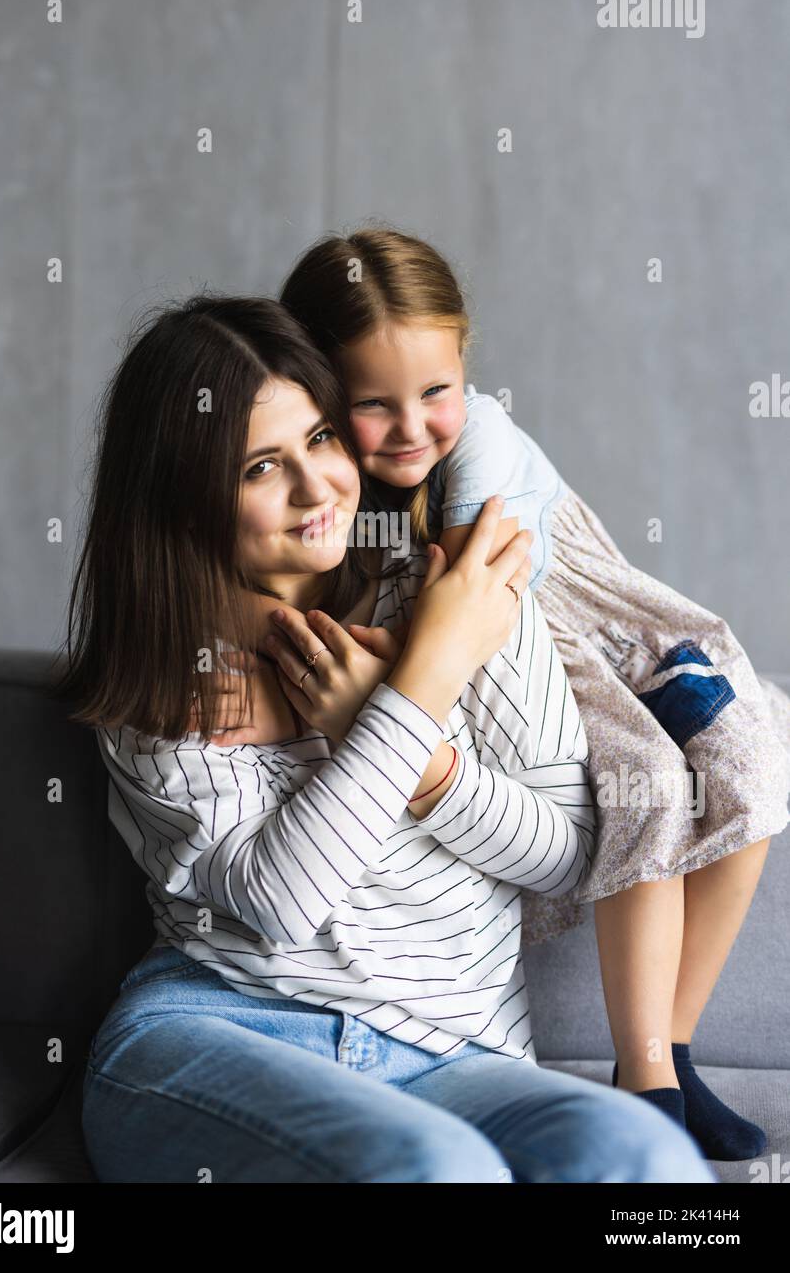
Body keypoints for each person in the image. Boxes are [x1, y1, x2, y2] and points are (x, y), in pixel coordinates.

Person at [57, 294, 715, 1182]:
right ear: (182, 496)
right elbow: (281, 903)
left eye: (322, 438)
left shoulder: (453, 589)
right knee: (432, 1167)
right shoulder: (174, 672)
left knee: (642, 1154)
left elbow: (570, 857)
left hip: (460, 1059)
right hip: (224, 1030)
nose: (315, 488)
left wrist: (416, 748)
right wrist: (425, 677)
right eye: (259, 466)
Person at [277, 224, 790, 1160]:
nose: (413, 427)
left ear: (465, 363)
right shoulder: (327, 490)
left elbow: (461, 609)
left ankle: (672, 1044)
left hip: (576, 626)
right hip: (516, 664)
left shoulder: (480, 446)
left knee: (751, 762)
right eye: (371, 405)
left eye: (435, 390)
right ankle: (646, 1079)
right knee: (648, 788)